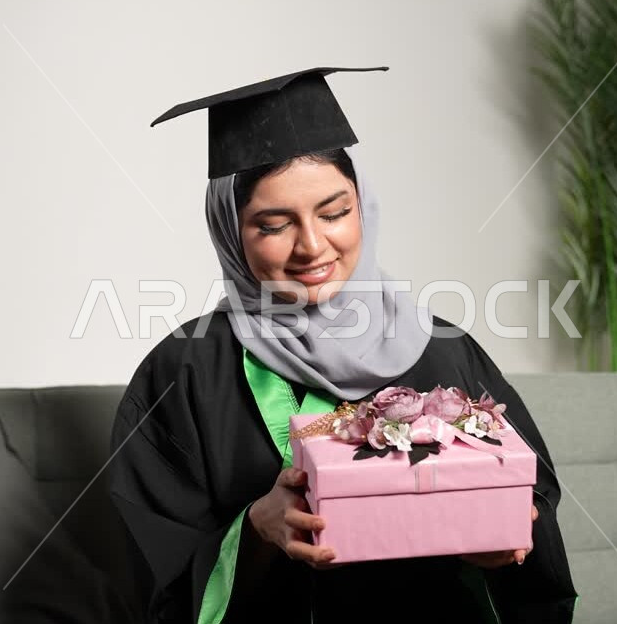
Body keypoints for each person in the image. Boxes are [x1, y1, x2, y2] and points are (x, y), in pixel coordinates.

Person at [108, 66, 578, 624]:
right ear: (230, 233)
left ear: (364, 209)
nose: (312, 246)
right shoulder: (183, 372)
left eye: (334, 213)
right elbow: (156, 571)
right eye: (274, 225)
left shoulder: (442, 346)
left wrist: (502, 536)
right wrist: (257, 529)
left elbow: (531, 498)